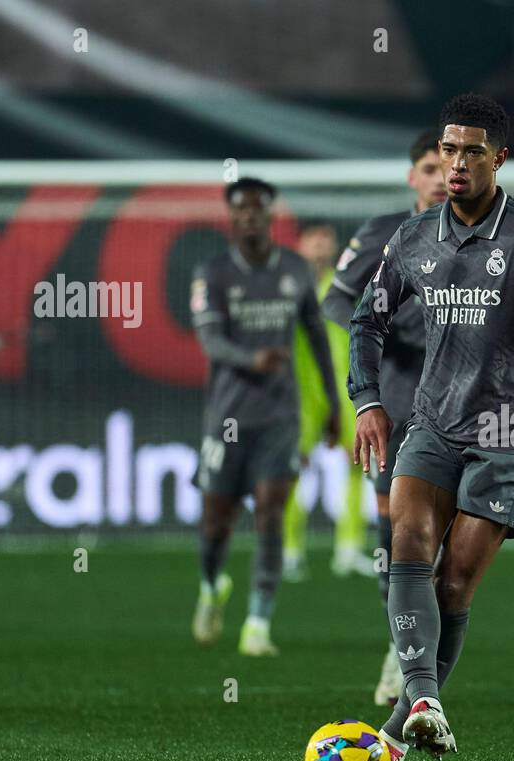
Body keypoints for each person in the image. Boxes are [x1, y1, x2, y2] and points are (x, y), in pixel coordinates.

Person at [347, 94, 514, 761]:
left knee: (455, 582)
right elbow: (366, 322)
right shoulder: (411, 239)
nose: (453, 164)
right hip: (433, 419)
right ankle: (425, 701)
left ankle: (396, 734)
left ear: (500, 159)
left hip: (512, 425)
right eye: (446, 150)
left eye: (469, 151)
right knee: (404, 545)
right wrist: (367, 401)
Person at [321, 130, 447, 706]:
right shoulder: (382, 233)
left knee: (448, 544)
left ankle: (420, 651)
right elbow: (336, 299)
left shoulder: (495, 238)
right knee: (398, 535)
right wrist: (385, 330)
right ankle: (405, 653)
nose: (443, 176)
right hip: (397, 404)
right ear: (411, 177)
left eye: (449, 164)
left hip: (471, 409)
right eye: (429, 167)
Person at [190, 178, 340, 656]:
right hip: (228, 417)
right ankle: (213, 587)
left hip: (280, 416)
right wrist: (249, 360)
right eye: (241, 209)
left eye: (259, 208)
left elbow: (317, 338)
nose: (250, 216)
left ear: (271, 214)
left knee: (271, 515)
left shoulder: (295, 270)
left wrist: (337, 404)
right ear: (230, 217)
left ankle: (257, 622)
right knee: (217, 523)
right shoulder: (212, 273)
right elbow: (210, 340)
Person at [283, 220, 376, 581]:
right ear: (301, 245)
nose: (321, 245)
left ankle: (348, 549)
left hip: (345, 386)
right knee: (292, 468)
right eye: (314, 239)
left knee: (359, 465)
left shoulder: (346, 286)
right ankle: (290, 550)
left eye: (326, 238)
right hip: (303, 391)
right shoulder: (288, 287)